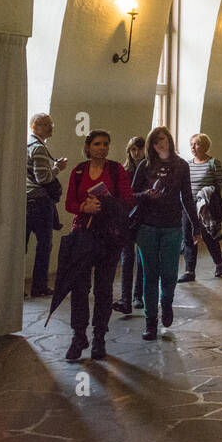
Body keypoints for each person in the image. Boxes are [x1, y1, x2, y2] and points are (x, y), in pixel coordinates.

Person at [62, 130, 134, 362]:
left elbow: (128, 201)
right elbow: (69, 202)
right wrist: (84, 207)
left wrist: (105, 202)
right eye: (97, 144)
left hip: (108, 236)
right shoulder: (79, 171)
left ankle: (99, 336)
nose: (101, 148)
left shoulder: (116, 170)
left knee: (103, 288)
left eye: (105, 144)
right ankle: (78, 335)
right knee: (79, 287)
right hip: (83, 233)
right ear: (88, 147)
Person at [129, 126, 199, 341]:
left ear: (169, 140)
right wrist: (146, 194)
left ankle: (166, 302)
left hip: (171, 226)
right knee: (150, 274)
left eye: (164, 139)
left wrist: (196, 225)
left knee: (169, 273)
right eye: (156, 140)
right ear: (151, 144)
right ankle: (150, 322)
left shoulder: (181, 166)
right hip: (147, 227)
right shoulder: (145, 166)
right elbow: (132, 195)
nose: (161, 143)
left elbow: (187, 197)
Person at [26, 114, 68, 297]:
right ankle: (39, 286)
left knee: (22, 246)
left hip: (25, 201)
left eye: (52, 124)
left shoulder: (25, 145)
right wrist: (58, 168)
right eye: (47, 125)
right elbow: (43, 178)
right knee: (44, 246)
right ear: (35, 126)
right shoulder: (39, 149)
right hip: (40, 202)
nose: (51, 127)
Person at [181, 132, 222, 281]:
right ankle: (189, 271)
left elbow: (221, 183)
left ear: (205, 146)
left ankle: (218, 263)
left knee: (209, 237)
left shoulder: (213, 163)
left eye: (197, 144)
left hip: (205, 207)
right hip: (188, 207)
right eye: (191, 144)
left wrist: (208, 190)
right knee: (188, 237)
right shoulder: (187, 164)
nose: (193, 147)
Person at [114, 136, 146, 315]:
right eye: (133, 149)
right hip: (126, 219)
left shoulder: (149, 170)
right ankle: (125, 298)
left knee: (141, 260)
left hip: (143, 219)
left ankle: (137, 296)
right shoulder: (124, 170)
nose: (136, 153)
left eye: (139, 149)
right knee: (127, 259)